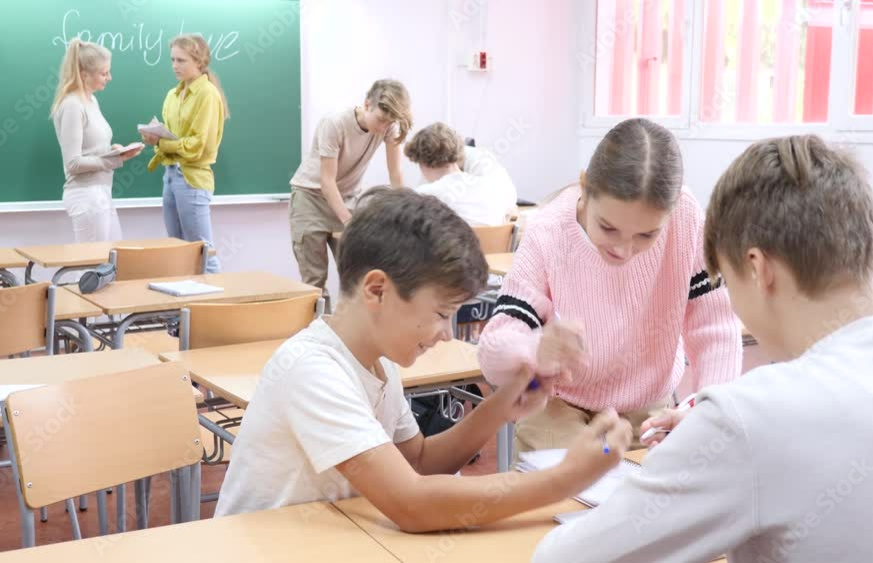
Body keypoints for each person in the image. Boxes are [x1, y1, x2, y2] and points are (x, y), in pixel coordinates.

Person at [533, 135, 873, 563]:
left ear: (757, 268)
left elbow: (565, 559)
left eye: (724, 278)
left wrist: (705, 445)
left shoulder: (749, 418)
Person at [214, 189, 633, 532]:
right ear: (376, 291)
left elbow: (416, 461)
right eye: (439, 315)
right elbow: (411, 505)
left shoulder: (377, 361)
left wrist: (501, 405)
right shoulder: (313, 370)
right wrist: (564, 480)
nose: (447, 334)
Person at [478, 118, 742, 455]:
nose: (624, 249)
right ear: (585, 188)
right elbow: (491, 354)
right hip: (558, 406)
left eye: (647, 235)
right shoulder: (548, 231)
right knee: (558, 501)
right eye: (608, 227)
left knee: (664, 498)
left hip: (648, 406)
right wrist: (535, 348)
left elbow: (715, 327)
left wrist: (707, 410)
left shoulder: (687, 217)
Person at [288, 79, 412, 299]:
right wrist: (349, 221)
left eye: (389, 122)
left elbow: (396, 174)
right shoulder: (334, 123)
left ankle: (351, 332)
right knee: (314, 282)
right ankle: (321, 330)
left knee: (358, 278)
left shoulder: (389, 127)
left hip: (348, 198)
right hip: (311, 199)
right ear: (366, 104)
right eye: (381, 120)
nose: (383, 127)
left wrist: (405, 214)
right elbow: (327, 181)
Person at [142, 34, 228, 272]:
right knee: (179, 252)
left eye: (181, 60)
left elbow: (197, 145)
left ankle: (214, 308)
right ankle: (184, 308)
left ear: (198, 62)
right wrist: (155, 138)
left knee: (203, 253)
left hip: (192, 178)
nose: (175, 66)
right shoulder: (172, 95)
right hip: (170, 176)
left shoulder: (207, 94)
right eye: (172, 60)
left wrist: (163, 144)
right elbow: (173, 136)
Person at [51, 39, 141, 242]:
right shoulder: (73, 105)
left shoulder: (91, 101)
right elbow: (73, 163)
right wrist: (115, 160)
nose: (109, 77)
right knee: (91, 267)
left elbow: (91, 149)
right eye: (104, 73)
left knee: (110, 263)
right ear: (84, 75)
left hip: (100, 193)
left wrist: (114, 151)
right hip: (86, 195)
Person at [405, 122, 517, 226]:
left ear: (422, 162)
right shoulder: (494, 189)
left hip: (452, 247)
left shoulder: (423, 195)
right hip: (495, 246)